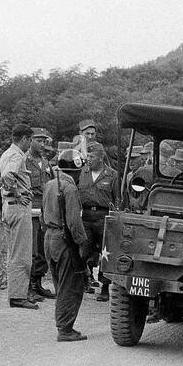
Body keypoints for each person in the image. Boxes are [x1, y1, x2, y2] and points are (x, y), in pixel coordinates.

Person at [0, 124, 38, 309]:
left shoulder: (6, 154)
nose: (30, 144)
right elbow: (8, 176)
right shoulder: (17, 155)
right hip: (18, 207)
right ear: (24, 139)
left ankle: (16, 292)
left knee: (13, 252)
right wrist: (17, 192)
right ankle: (18, 296)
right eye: (30, 140)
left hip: (7, 208)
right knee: (22, 254)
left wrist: (6, 189)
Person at [41, 164, 90, 341]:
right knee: (70, 285)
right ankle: (65, 328)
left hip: (49, 236)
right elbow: (74, 222)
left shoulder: (49, 185)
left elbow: (41, 213)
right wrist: (82, 243)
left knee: (60, 284)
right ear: (76, 171)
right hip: (64, 240)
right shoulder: (70, 188)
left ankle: (63, 324)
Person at [78, 141, 118, 302]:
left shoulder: (112, 175)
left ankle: (105, 287)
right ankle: (84, 280)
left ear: (101, 158)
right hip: (86, 217)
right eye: (88, 155)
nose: (88, 159)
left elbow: (117, 199)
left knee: (106, 253)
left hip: (104, 218)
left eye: (92, 156)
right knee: (83, 251)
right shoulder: (82, 173)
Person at [26, 128, 58, 302]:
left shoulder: (46, 163)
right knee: (32, 249)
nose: (42, 144)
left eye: (44, 141)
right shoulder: (23, 160)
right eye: (38, 140)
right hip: (30, 210)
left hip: (45, 210)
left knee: (43, 247)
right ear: (30, 140)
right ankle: (28, 285)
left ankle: (37, 283)